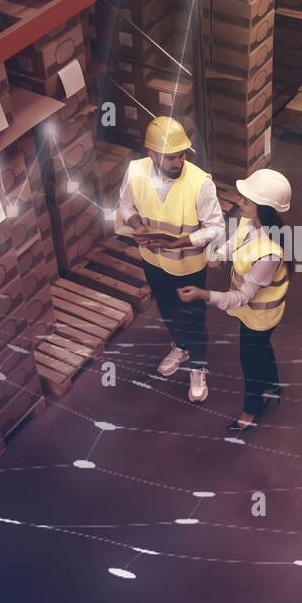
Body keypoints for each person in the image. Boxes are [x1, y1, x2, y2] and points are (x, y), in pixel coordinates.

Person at [117, 116, 224, 402]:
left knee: (193, 318)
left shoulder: (201, 183)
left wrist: (184, 241)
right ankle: (180, 347)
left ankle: (198, 368)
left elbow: (217, 227)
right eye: (171, 157)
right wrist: (138, 225)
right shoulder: (135, 172)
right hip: (153, 262)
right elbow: (125, 205)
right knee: (167, 310)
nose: (178, 162)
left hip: (188, 267)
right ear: (152, 154)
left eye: (182, 155)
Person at [177, 169, 291, 432]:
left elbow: (241, 297)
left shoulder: (269, 254)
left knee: (250, 362)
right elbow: (235, 242)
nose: (240, 202)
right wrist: (219, 254)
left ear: (263, 208)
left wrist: (203, 295)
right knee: (262, 349)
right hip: (252, 314)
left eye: (247, 200)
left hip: (259, 318)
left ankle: (251, 410)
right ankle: (272, 383)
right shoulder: (250, 221)